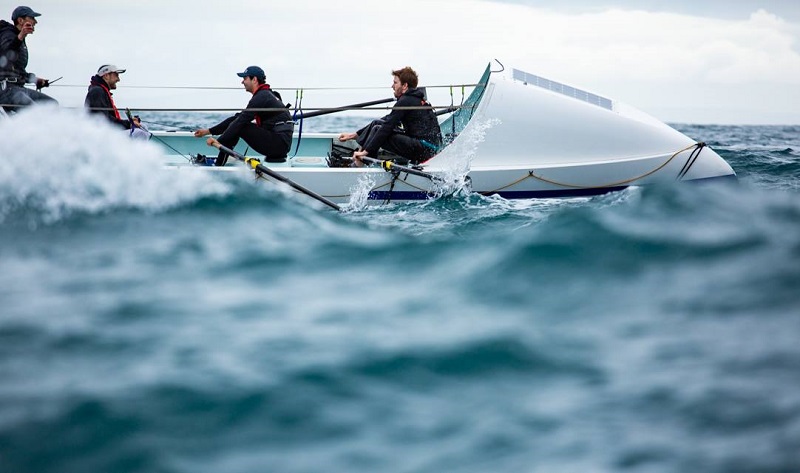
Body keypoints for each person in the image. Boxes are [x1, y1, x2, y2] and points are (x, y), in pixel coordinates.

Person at [337, 66, 442, 166]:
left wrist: (366, 152)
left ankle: (361, 162)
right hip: (427, 148)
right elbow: (388, 119)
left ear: (404, 86)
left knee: (378, 129)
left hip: (425, 150)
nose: (392, 86)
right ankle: (359, 160)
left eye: (395, 83)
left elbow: (387, 126)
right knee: (377, 123)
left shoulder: (406, 101)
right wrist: (353, 135)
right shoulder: (413, 98)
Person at [195, 65, 293, 166]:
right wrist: (208, 131)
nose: (242, 82)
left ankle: (219, 164)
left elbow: (240, 122)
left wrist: (218, 142)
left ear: (254, 80)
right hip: (280, 144)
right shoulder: (267, 94)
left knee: (240, 126)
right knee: (237, 121)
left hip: (278, 146)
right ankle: (220, 162)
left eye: (245, 78)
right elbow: (238, 118)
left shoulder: (262, 96)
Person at [0, 5, 57, 111]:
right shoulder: (7, 34)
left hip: (17, 88)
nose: (35, 21)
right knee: (33, 112)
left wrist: (35, 80)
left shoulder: (18, 38)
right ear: (20, 20)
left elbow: (18, 70)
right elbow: (6, 57)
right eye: (32, 18)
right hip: (6, 90)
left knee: (51, 105)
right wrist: (21, 36)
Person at [84, 64, 149, 139]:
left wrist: (129, 122)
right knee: (140, 133)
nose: (118, 79)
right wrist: (128, 124)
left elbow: (108, 118)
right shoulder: (97, 92)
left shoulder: (101, 90)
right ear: (106, 76)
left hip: (107, 131)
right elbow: (103, 120)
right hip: (102, 135)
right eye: (116, 75)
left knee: (143, 126)